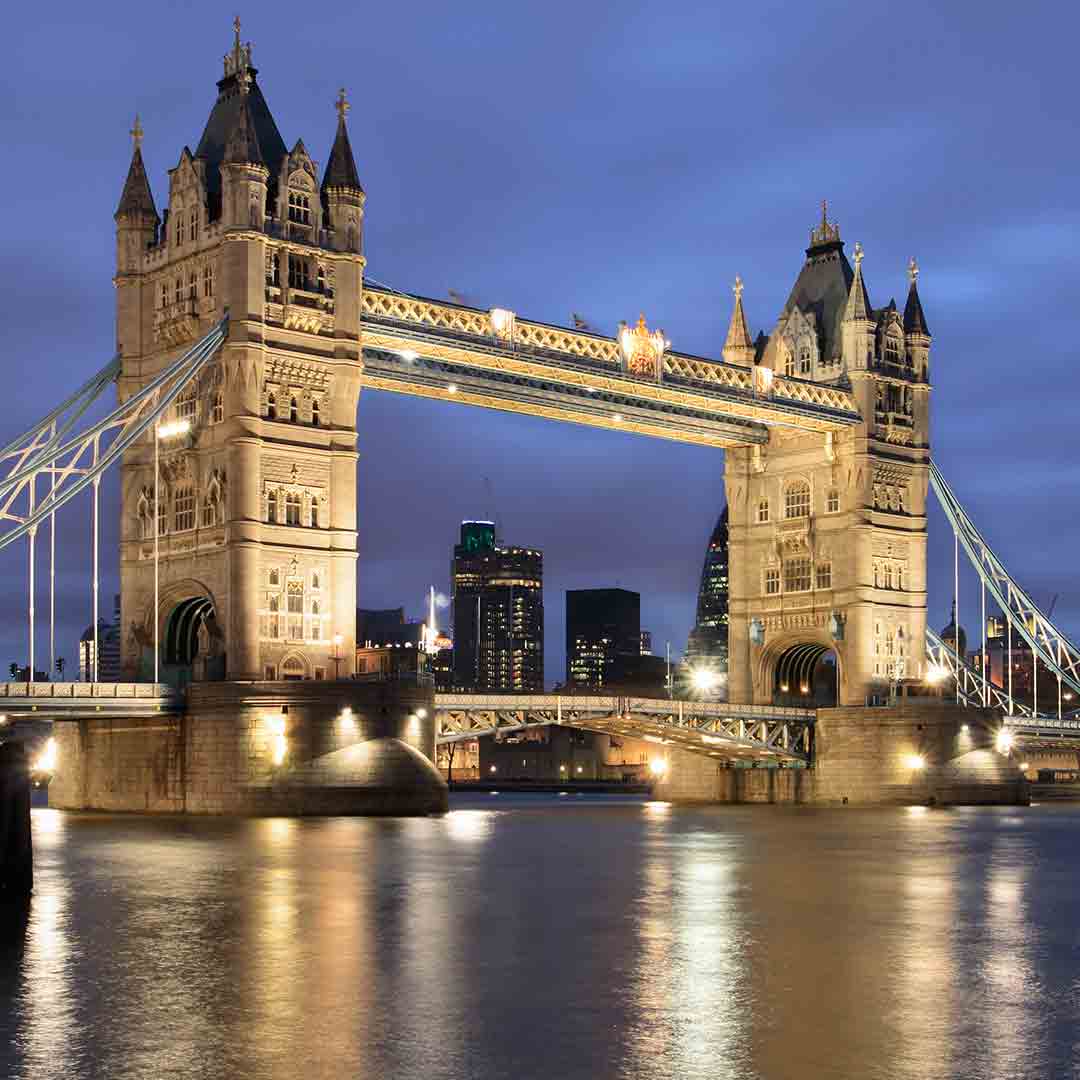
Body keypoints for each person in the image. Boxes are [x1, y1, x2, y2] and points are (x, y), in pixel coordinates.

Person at [0, 741, 33, 896]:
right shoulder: (20, 770)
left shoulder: (5, 768)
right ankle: (20, 880)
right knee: (20, 836)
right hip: (20, 839)